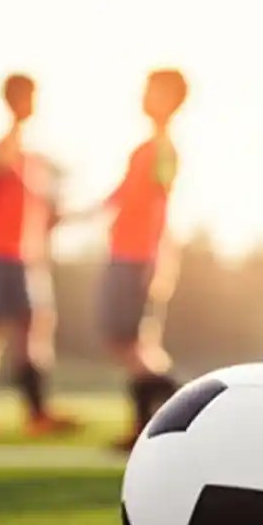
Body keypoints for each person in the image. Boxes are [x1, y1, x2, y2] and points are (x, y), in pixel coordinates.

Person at [0, 74, 78, 438]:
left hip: (25, 257)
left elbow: (38, 211)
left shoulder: (31, 157)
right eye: (26, 97)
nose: (31, 103)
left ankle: (37, 412)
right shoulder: (8, 145)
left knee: (32, 330)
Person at [89, 69, 188, 450]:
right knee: (137, 344)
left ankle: (180, 401)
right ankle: (145, 427)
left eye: (154, 92)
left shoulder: (163, 149)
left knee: (125, 341)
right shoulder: (145, 149)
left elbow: (160, 204)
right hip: (127, 252)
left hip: (136, 256)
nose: (145, 97)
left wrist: (153, 258)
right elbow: (119, 197)